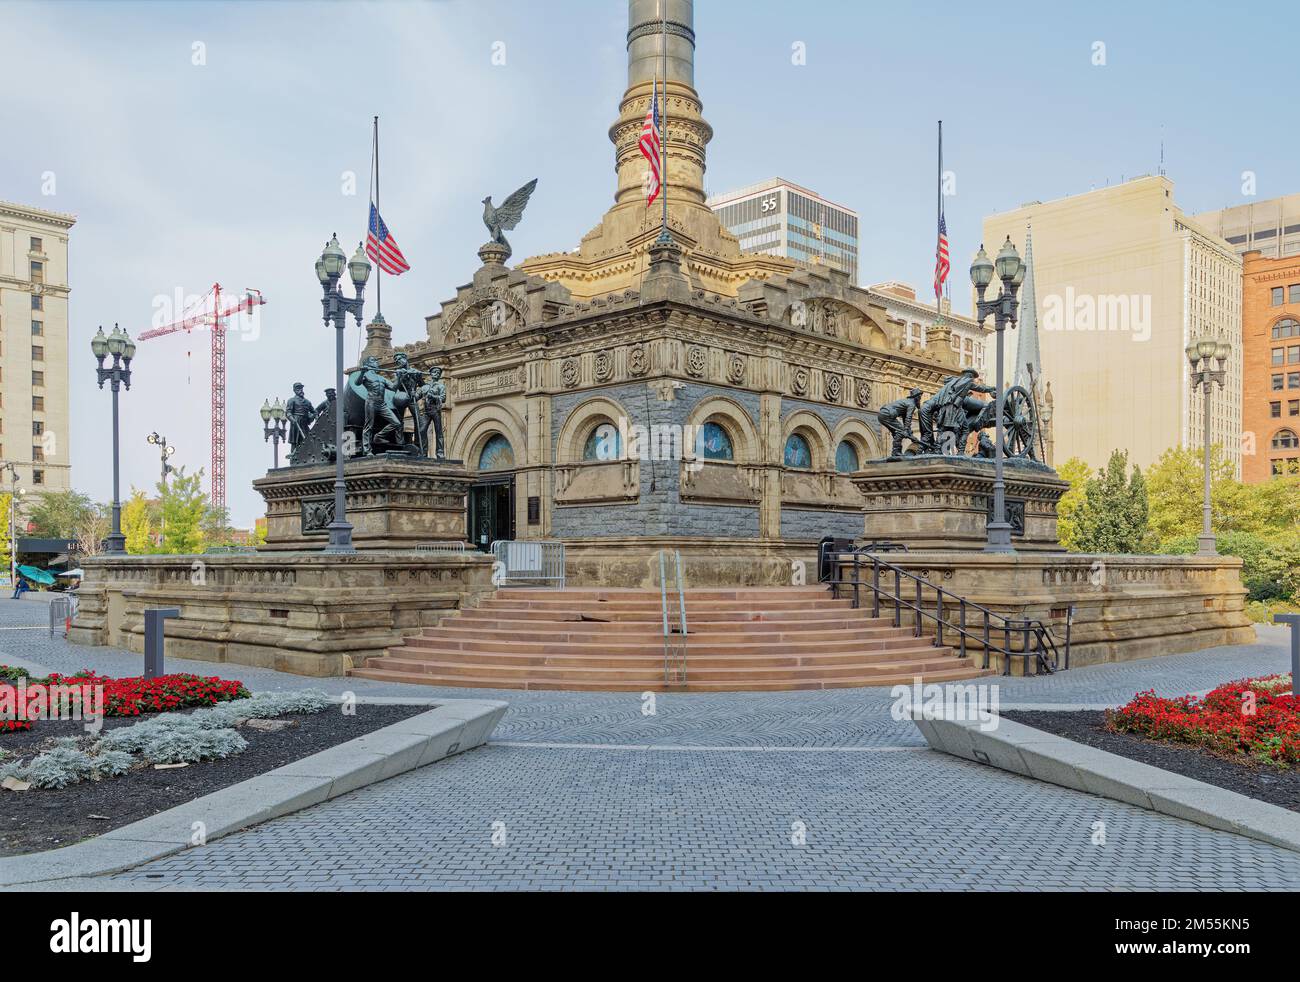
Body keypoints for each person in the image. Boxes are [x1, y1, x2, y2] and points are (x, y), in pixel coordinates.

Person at [358, 357, 400, 455]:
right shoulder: (366, 375)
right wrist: (362, 372)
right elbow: (357, 383)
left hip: (382, 404)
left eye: (377, 361)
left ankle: (378, 437)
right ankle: (367, 450)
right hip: (371, 402)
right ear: (368, 363)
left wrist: (399, 377)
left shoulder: (381, 378)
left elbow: (393, 387)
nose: (377, 363)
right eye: (374, 361)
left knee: (396, 423)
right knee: (369, 426)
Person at [877, 388, 923, 457]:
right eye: (919, 397)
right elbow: (908, 418)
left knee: (897, 433)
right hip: (887, 414)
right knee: (900, 431)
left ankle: (896, 451)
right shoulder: (911, 404)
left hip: (882, 414)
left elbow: (905, 421)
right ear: (916, 397)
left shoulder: (907, 402)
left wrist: (910, 435)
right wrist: (906, 431)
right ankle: (896, 451)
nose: (920, 399)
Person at [285, 382, 317, 450]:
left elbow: (314, 412)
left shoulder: (307, 402)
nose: (300, 390)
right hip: (296, 422)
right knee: (295, 442)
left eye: (301, 388)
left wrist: (312, 417)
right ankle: (293, 456)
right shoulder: (291, 400)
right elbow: (288, 412)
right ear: (294, 390)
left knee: (307, 439)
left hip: (304, 423)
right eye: (298, 388)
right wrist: (292, 419)